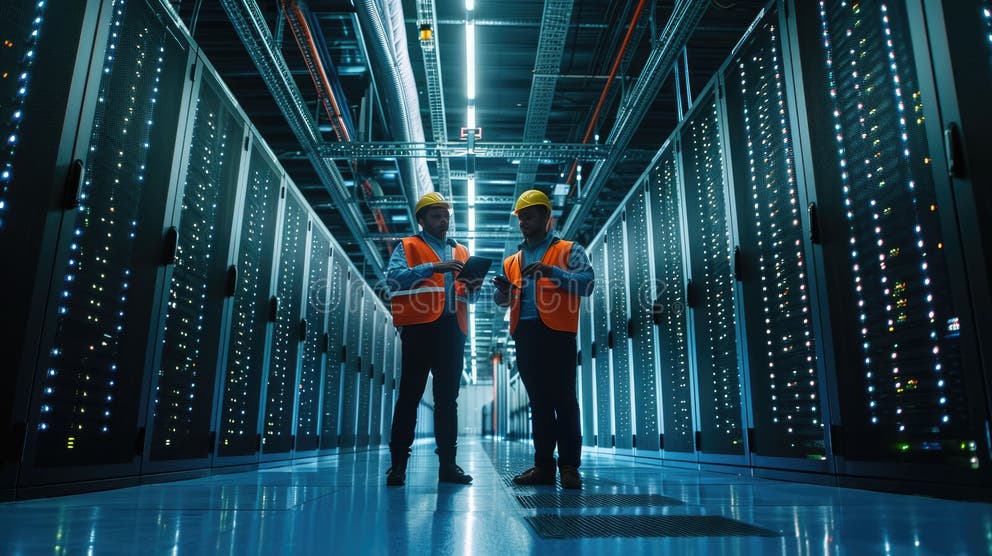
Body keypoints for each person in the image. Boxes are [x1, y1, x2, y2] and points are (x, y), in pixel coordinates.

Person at [493, 190, 594, 489]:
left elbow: (587, 284)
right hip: (525, 333)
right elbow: (502, 301)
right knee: (538, 403)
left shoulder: (568, 249)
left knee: (564, 400)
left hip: (558, 332)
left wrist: (551, 272)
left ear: (546, 217)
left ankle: (570, 467)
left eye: (529, 216)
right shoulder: (512, 260)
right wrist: (502, 292)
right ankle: (543, 467)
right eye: (521, 218)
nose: (524, 222)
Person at [385, 192, 480, 486]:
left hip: (453, 330)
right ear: (422, 219)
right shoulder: (409, 246)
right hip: (420, 329)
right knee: (409, 397)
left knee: (447, 400)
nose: (443, 222)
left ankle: (448, 466)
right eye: (437, 216)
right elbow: (393, 277)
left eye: (446, 216)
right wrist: (434, 268)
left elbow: (470, 296)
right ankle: (398, 465)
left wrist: (473, 286)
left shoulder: (462, 251)